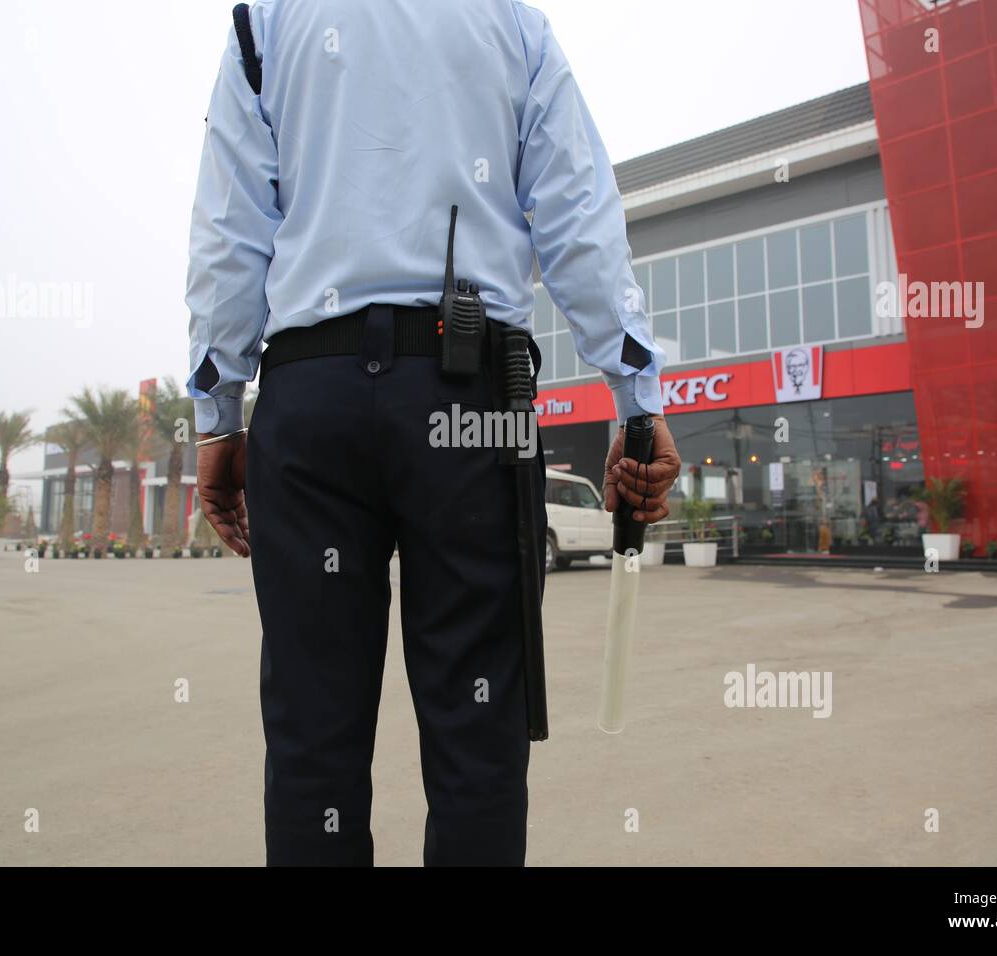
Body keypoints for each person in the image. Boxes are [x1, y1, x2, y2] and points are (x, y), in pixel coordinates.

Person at [186, 0, 680, 866]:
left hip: (311, 400)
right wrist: (634, 397)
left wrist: (218, 414)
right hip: (472, 404)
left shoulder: (263, 23)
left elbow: (230, 232)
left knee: (313, 735)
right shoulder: (513, 24)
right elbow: (576, 211)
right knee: (477, 734)